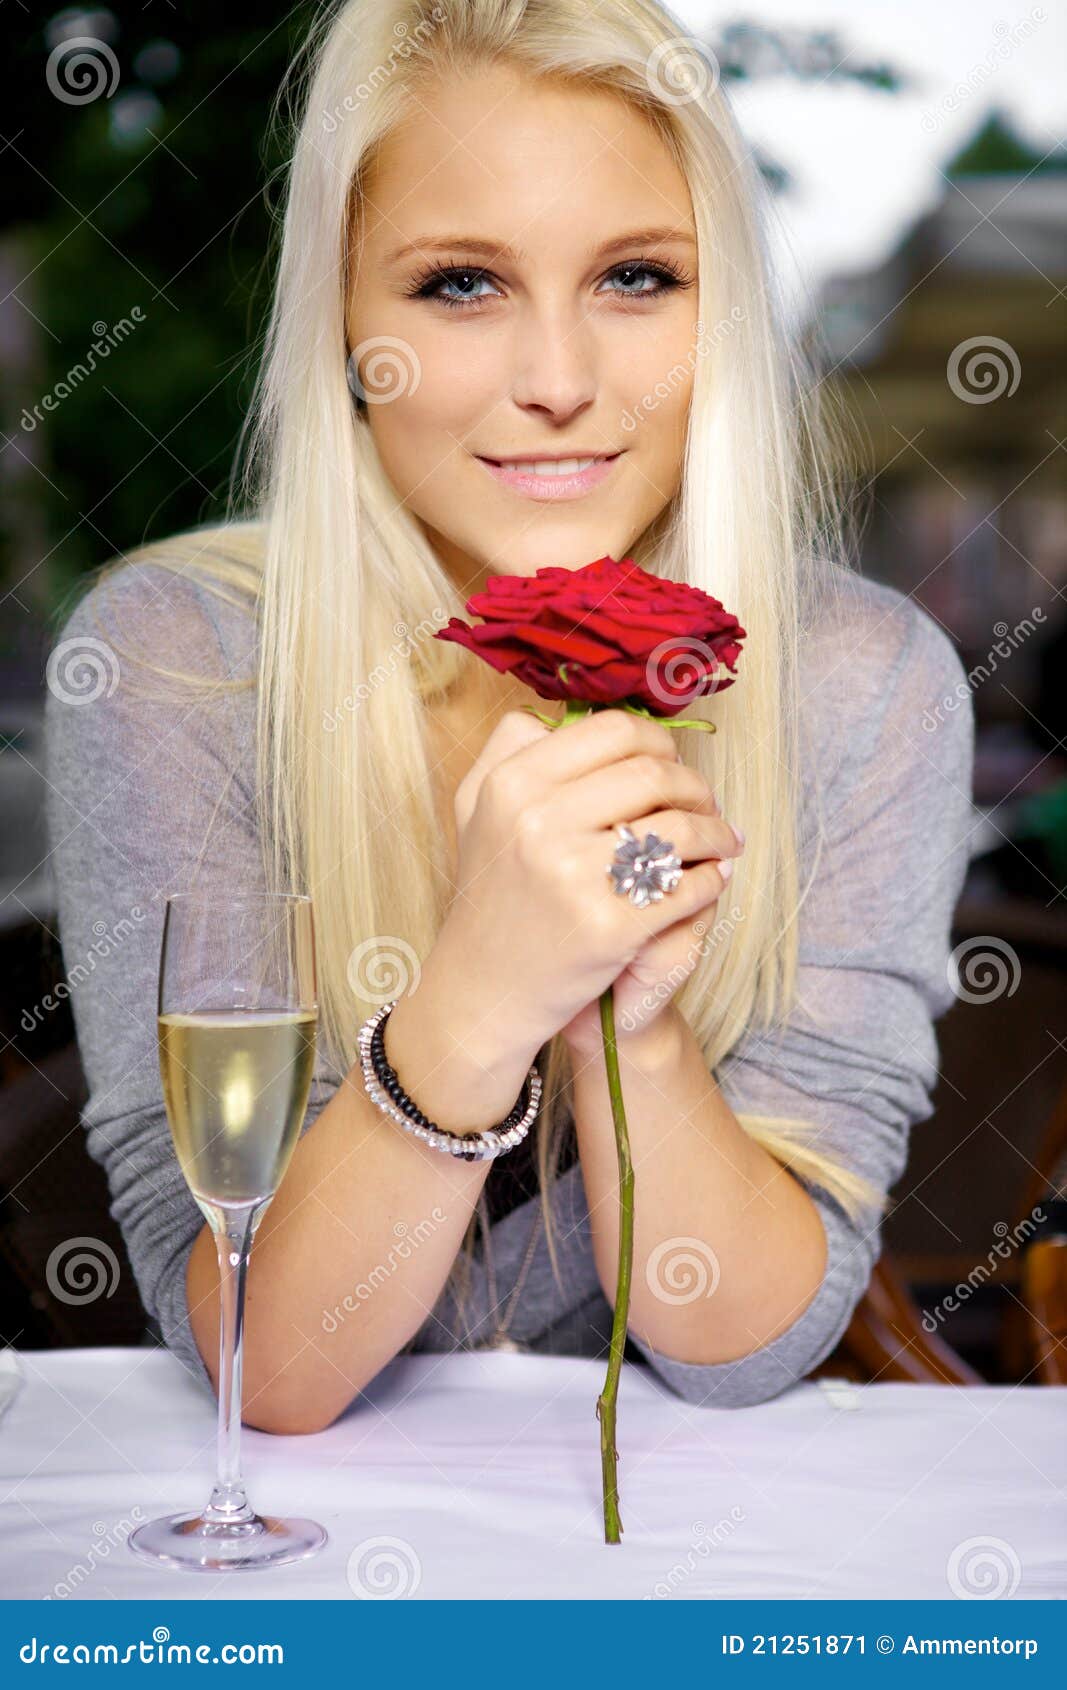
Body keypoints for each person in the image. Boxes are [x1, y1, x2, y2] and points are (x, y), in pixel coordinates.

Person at [43, 0, 973, 1436]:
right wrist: (479, 995)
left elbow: (741, 1346)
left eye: (637, 278)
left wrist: (629, 1032)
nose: (559, 383)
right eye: (462, 285)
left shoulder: (867, 683)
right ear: (344, 321)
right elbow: (268, 1371)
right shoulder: (173, 664)